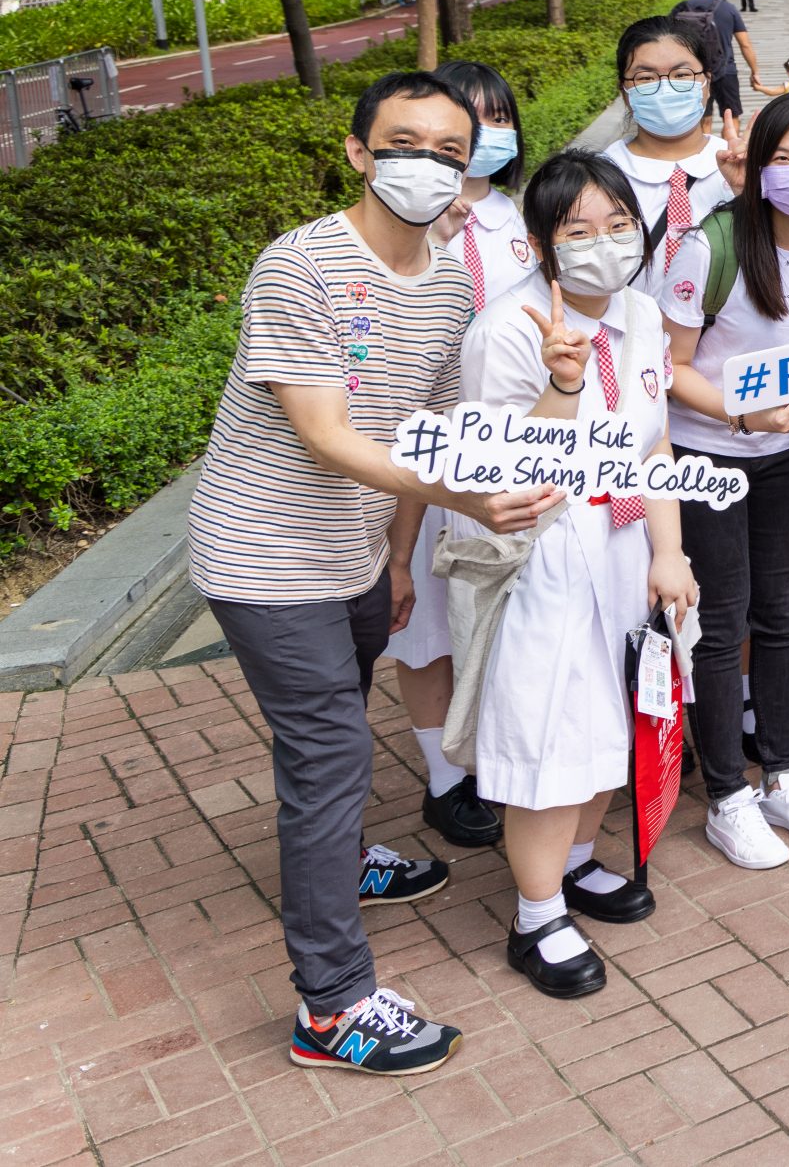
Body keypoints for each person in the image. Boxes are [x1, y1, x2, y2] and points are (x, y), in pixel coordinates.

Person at [184, 71, 560, 1076]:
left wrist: (399, 557)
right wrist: (468, 501)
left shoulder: (449, 283)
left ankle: (345, 860)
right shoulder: (299, 265)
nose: (426, 166)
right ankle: (332, 1005)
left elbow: (425, 434)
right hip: (265, 555)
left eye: (449, 151)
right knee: (330, 757)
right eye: (403, 145)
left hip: (353, 552)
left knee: (334, 736)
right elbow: (326, 435)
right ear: (358, 153)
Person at [449, 151, 697, 997]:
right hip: (546, 553)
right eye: (579, 230)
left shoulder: (641, 313)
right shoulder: (505, 330)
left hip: (627, 544)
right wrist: (561, 382)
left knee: (614, 717)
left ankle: (580, 861)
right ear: (540, 243)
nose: (605, 243)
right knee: (549, 734)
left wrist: (669, 551)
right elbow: (502, 469)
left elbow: (654, 441)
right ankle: (536, 916)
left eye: (619, 224)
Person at [659, 92, 789, 869]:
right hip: (706, 457)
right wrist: (742, 416)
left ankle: (783, 775)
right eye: (782, 158)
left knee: (780, 614)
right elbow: (670, 368)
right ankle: (726, 797)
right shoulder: (708, 247)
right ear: (756, 168)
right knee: (720, 624)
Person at [384, 62, 541, 853]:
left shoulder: (527, 221)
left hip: (510, 455)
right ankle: (445, 779)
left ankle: (498, 755)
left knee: (501, 608)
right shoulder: (403, 226)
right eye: (468, 120)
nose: (485, 133)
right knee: (424, 624)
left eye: (498, 117)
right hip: (425, 455)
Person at [600, 17, 744, 299]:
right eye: (645, 78)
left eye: (681, 74)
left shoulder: (741, 167)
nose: (665, 88)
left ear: (707, 82)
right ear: (624, 91)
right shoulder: (596, 177)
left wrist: (753, 196)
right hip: (631, 325)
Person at [672, 0, 762, 118]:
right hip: (725, 70)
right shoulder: (728, 8)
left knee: (702, 118)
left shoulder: (681, 8)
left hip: (692, 73)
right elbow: (745, 44)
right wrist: (755, 71)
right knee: (731, 117)